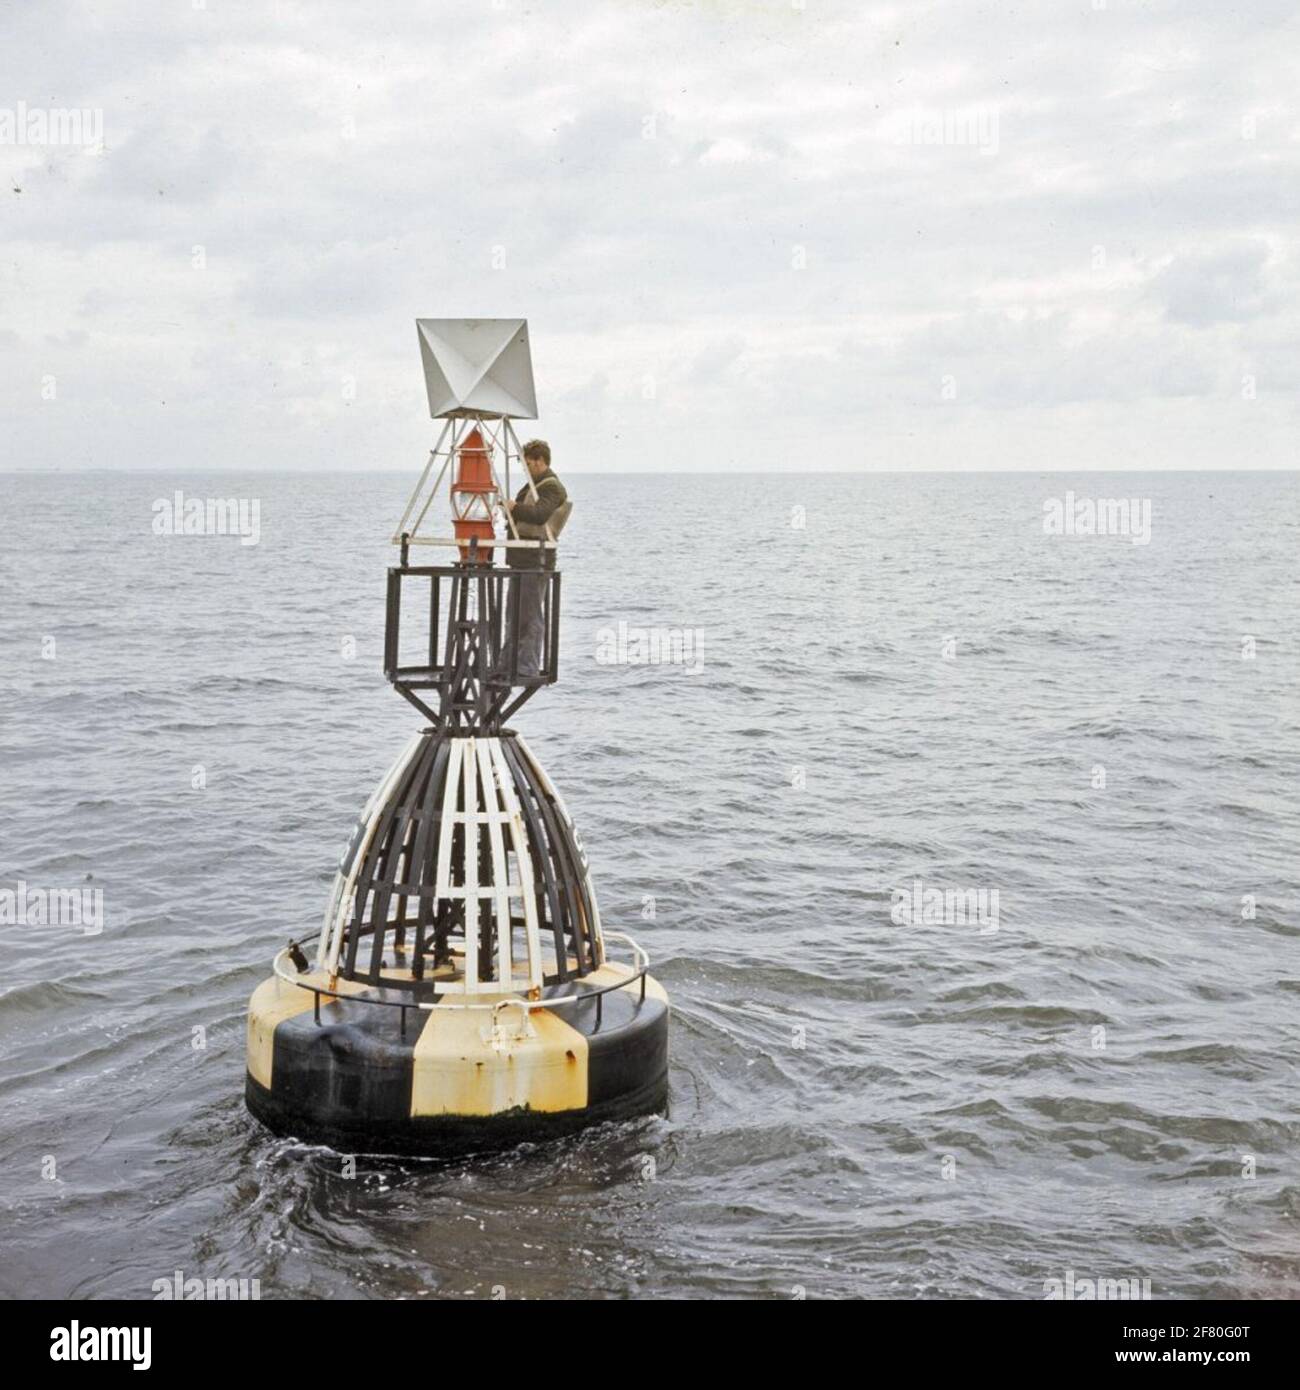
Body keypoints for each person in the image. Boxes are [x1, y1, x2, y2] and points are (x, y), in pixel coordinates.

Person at [504, 439, 567, 679]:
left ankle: (526, 666)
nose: (525, 468)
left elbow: (540, 514)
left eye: (528, 463)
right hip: (522, 559)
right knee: (514, 615)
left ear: (540, 461)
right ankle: (508, 663)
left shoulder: (552, 487)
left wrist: (514, 507)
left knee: (529, 616)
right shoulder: (535, 484)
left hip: (535, 561)